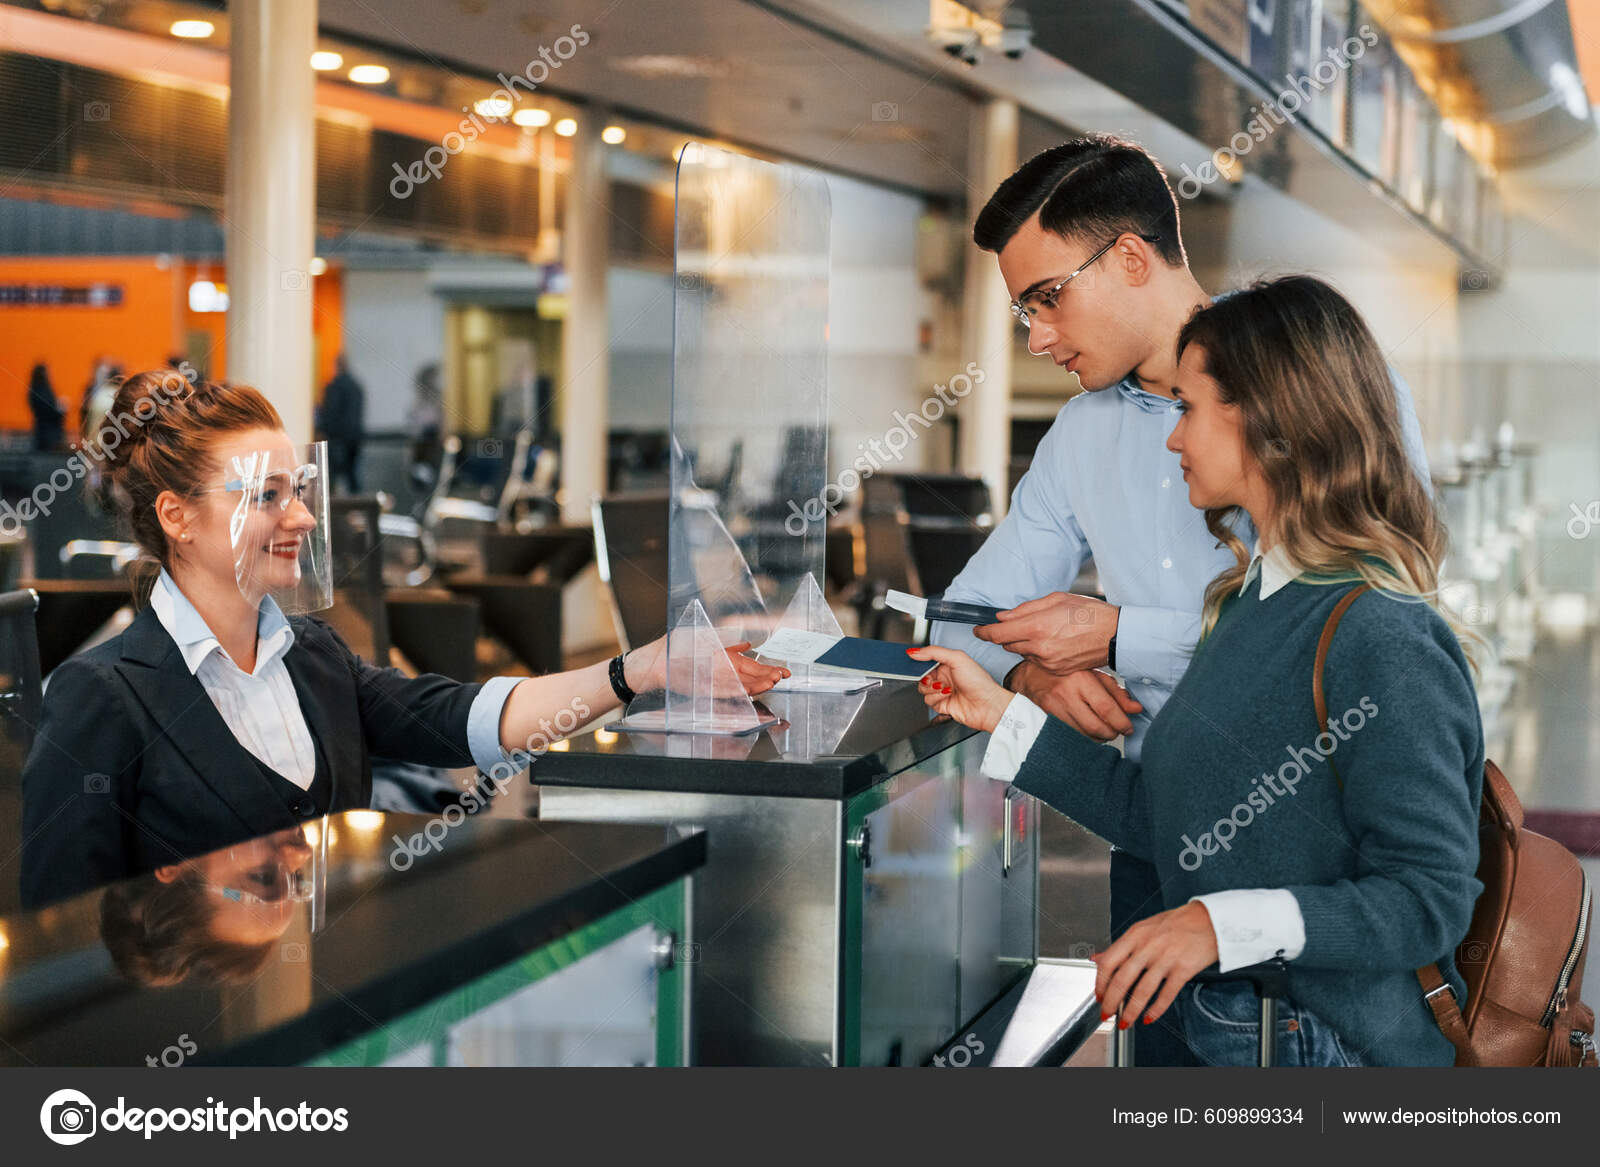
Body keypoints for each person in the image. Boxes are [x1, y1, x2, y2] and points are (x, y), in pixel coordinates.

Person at [931, 135, 1431, 1064]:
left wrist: (1122, 636)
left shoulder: (1334, 391)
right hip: (1154, 845)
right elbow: (963, 619)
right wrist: (1037, 677)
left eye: (1047, 298)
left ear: (1128, 256)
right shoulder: (1083, 433)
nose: (1036, 336)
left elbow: (1389, 626)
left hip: (1318, 887)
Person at [20, 370, 788, 909]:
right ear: (178, 517)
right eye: (268, 495)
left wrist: (641, 669)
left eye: (301, 491)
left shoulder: (313, 657)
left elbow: (461, 716)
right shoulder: (101, 695)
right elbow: (58, 932)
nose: (304, 518)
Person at [317, 355, 365, 493]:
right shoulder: (357, 387)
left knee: (331, 479)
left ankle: (336, 510)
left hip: (337, 438)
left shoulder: (334, 387)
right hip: (355, 439)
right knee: (353, 480)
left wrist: (324, 430)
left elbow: (330, 413)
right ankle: (357, 509)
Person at [27, 362, 65, 452]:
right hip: (49, 434)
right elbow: (49, 410)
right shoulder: (43, 390)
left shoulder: (34, 389)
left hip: (42, 432)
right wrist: (60, 408)